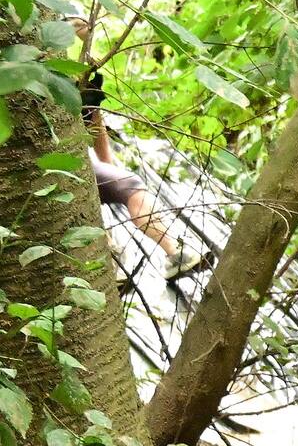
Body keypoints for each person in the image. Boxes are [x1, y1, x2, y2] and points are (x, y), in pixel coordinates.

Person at [68, 16, 206, 279]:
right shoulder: (52, 78)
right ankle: (168, 255)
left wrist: (108, 162)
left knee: (122, 184)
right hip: (57, 162)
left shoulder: (85, 79)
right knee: (128, 186)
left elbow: (93, 118)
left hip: (76, 161)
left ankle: (140, 261)